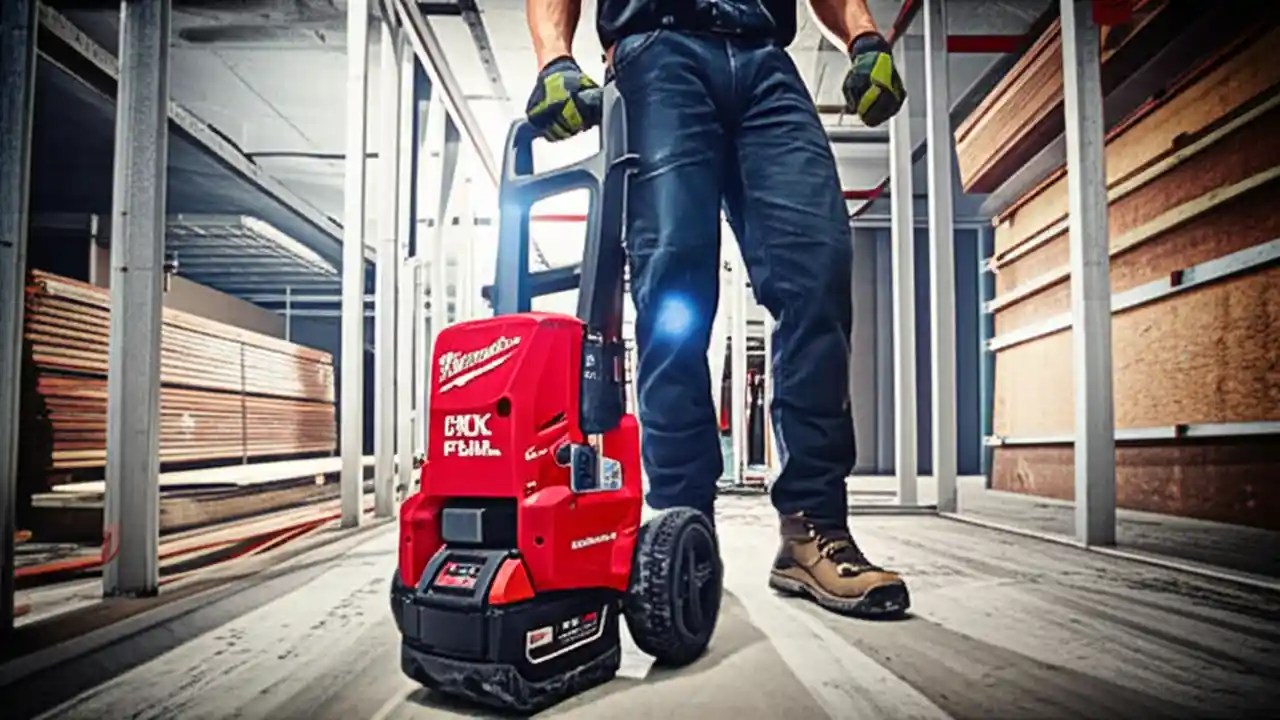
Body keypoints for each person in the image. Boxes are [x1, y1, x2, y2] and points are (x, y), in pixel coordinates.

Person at [523, 0, 910, 618]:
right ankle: (684, 530)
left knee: (819, 270)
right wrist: (553, 59)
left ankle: (814, 529)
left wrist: (863, 37)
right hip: (657, 51)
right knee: (674, 285)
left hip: (765, 62)